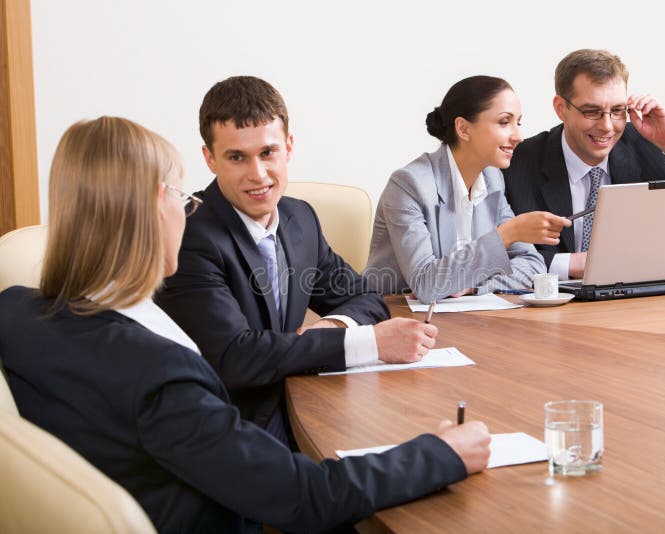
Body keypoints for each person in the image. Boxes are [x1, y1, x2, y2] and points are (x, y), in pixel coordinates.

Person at [0, 116, 491, 533]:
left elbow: (357, 293)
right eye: (180, 195)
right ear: (156, 204)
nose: (189, 208)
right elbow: (305, 497)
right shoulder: (158, 375)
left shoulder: (14, 311)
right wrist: (440, 453)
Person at [155, 77, 437, 444]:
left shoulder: (299, 218)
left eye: (268, 152)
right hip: (231, 428)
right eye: (237, 157)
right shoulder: (190, 234)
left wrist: (333, 328)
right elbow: (235, 357)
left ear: (288, 147)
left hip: (309, 401)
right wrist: (368, 343)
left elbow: (365, 298)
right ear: (209, 159)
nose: (257, 174)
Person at [503, 49, 665, 280]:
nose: (607, 126)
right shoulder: (518, 162)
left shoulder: (648, 144)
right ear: (561, 108)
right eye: (592, 112)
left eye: (618, 111)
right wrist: (571, 264)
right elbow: (492, 250)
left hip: (643, 301)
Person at [365, 75, 567, 304]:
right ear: (463, 128)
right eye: (504, 122)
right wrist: (507, 234)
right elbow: (425, 284)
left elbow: (532, 267)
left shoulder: (493, 180)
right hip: (392, 314)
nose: (518, 136)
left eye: (518, 123)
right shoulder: (408, 185)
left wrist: (473, 285)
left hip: (464, 316)